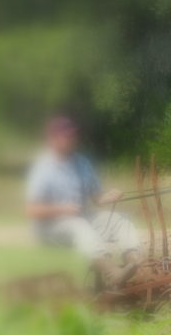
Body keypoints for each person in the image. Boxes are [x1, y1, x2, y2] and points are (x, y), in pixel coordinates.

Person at [25, 116, 142, 289]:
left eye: (74, 136)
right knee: (77, 225)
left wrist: (109, 196)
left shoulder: (82, 163)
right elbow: (31, 210)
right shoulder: (43, 167)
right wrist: (62, 209)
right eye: (67, 136)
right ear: (53, 139)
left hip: (81, 217)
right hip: (50, 227)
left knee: (120, 219)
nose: (72, 140)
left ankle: (132, 262)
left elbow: (96, 198)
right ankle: (111, 272)